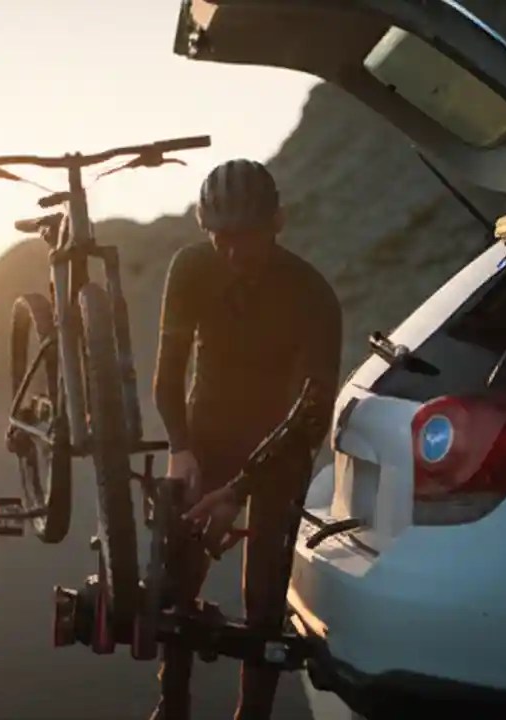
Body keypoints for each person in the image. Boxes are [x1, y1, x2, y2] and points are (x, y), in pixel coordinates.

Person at [150, 159, 342, 720]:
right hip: (207, 432)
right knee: (177, 580)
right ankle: (172, 704)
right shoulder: (190, 267)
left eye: (246, 237)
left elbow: (312, 414)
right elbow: (167, 377)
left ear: (277, 222)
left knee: (263, 604)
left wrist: (239, 490)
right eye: (221, 238)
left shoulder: (312, 292)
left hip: (281, 444)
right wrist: (180, 448)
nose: (233, 252)